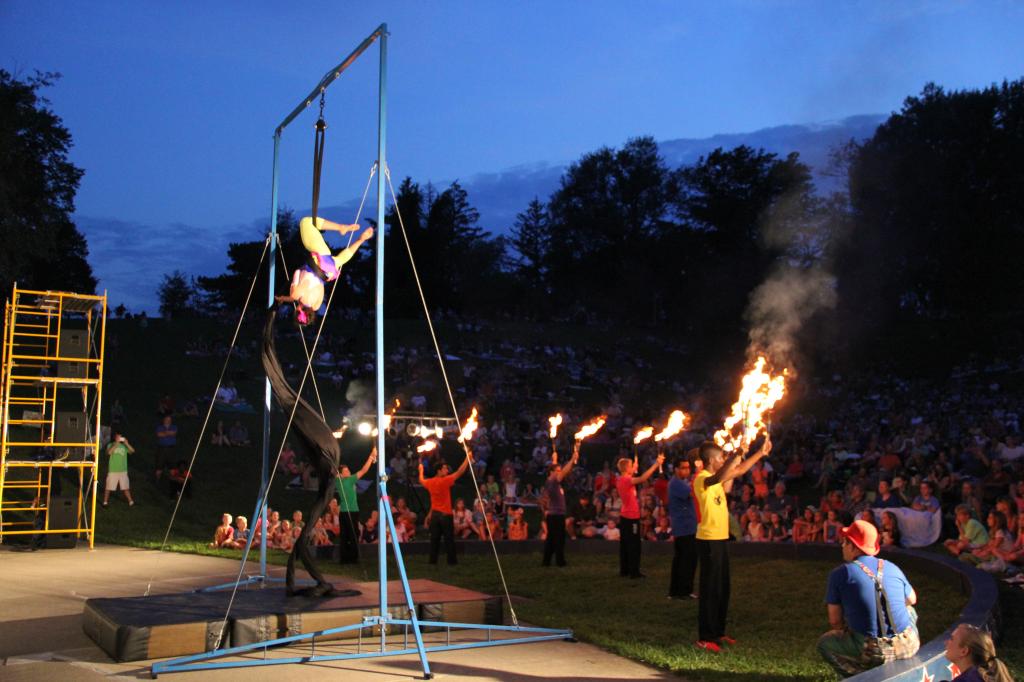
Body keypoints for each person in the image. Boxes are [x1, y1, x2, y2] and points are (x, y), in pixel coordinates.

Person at [693, 436, 772, 652]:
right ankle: (705, 637)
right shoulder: (702, 478)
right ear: (711, 461)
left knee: (722, 587)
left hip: (720, 539)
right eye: (720, 457)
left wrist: (760, 453)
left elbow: (738, 471)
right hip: (708, 541)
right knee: (709, 589)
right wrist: (736, 454)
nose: (722, 460)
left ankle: (718, 632)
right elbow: (719, 475)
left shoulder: (717, 477)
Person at [818, 520, 920, 677]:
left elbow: (835, 621)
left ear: (853, 545)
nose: (842, 546)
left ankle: (859, 677)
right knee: (910, 610)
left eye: (845, 542)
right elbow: (912, 599)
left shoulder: (840, 574)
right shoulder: (891, 566)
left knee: (825, 644)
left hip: (873, 651)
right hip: (908, 644)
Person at [275, 216, 374, 326]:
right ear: (297, 311)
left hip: (328, 272)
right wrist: (293, 288)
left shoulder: (316, 305)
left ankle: (361, 240)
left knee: (341, 259)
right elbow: (297, 273)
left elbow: (312, 291)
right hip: (319, 261)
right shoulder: (295, 294)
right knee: (306, 222)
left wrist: (284, 298)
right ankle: (341, 228)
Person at [419, 447, 474, 565]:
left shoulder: (429, 482)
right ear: (438, 471)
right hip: (445, 515)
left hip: (435, 516)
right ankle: (452, 562)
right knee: (449, 539)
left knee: (435, 540)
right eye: (444, 469)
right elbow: (459, 472)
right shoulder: (445, 481)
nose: (447, 470)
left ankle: (432, 562)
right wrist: (467, 459)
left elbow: (421, 480)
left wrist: (420, 469)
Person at [616, 452, 665, 579]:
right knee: (634, 545)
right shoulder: (627, 480)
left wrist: (634, 468)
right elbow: (643, 478)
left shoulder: (621, 479)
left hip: (624, 516)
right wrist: (656, 464)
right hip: (631, 517)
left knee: (625, 544)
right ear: (627, 468)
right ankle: (634, 572)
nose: (633, 467)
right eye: (631, 465)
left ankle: (625, 570)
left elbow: (633, 477)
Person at [335, 447, 377, 564]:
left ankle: (345, 558)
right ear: (341, 474)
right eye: (346, 471)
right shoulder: (348, 480)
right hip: (351, 511)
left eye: (348, 470)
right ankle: (352, 558)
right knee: (353, 535)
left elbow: (333, 472)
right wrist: (371, 457)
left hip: (344, 512)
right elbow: (364, 470)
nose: (349, 472)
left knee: (345, 535)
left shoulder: (338, 481)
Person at [542, 443, 580, 567]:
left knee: (552, 539)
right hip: (555, 515)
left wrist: (554, 459)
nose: (559, 473)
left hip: (556, 515)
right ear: (552, 472)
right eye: (557, 471)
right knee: (558, 539)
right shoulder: (552, 481)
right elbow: (563, 472)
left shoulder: (553, 481)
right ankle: (559, 561)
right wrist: (572, 459)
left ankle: (547, 561)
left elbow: (558, 471)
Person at [668, 455, 699, 600]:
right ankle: (683, 591)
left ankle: (677, 591)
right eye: (683, 468)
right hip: (685, 527)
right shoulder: (676, 484)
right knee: (687, 560)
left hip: (685, 526)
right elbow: (692, 493)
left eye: (688, 468)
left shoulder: (680, 483)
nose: (686, 470)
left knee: (682, 559)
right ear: (676, 469)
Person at [943, 623, 1014, 682]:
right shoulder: (986, 676)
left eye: (952, 639)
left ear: (964, 651)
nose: (946, 642)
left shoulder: (968, 679)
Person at [102, 431, 135, 507]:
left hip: (123, 470)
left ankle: (131, 502)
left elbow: (132, 451)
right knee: (108, 487)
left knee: (125, 487)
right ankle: (105, 502)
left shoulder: (124, 446)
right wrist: (116, 444)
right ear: (115, 437)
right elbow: (109, 453)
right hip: (113, 470)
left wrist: (126, 443)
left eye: (120, 437)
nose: (119, 438)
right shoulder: (111, 445)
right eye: (118, 437)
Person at [155, 414, 177, 480]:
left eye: (170, 420)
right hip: (162, 449)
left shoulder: (174, 427)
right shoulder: (160, 427)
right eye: (167, 419)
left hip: (171, 449)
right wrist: (168, 433)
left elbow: (174, 433)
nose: (168, 421)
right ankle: (157, 480)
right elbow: (159, 435)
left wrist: (164, 433)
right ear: (164, 420)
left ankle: (173, 481)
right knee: (159, 466)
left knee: (172, 466)